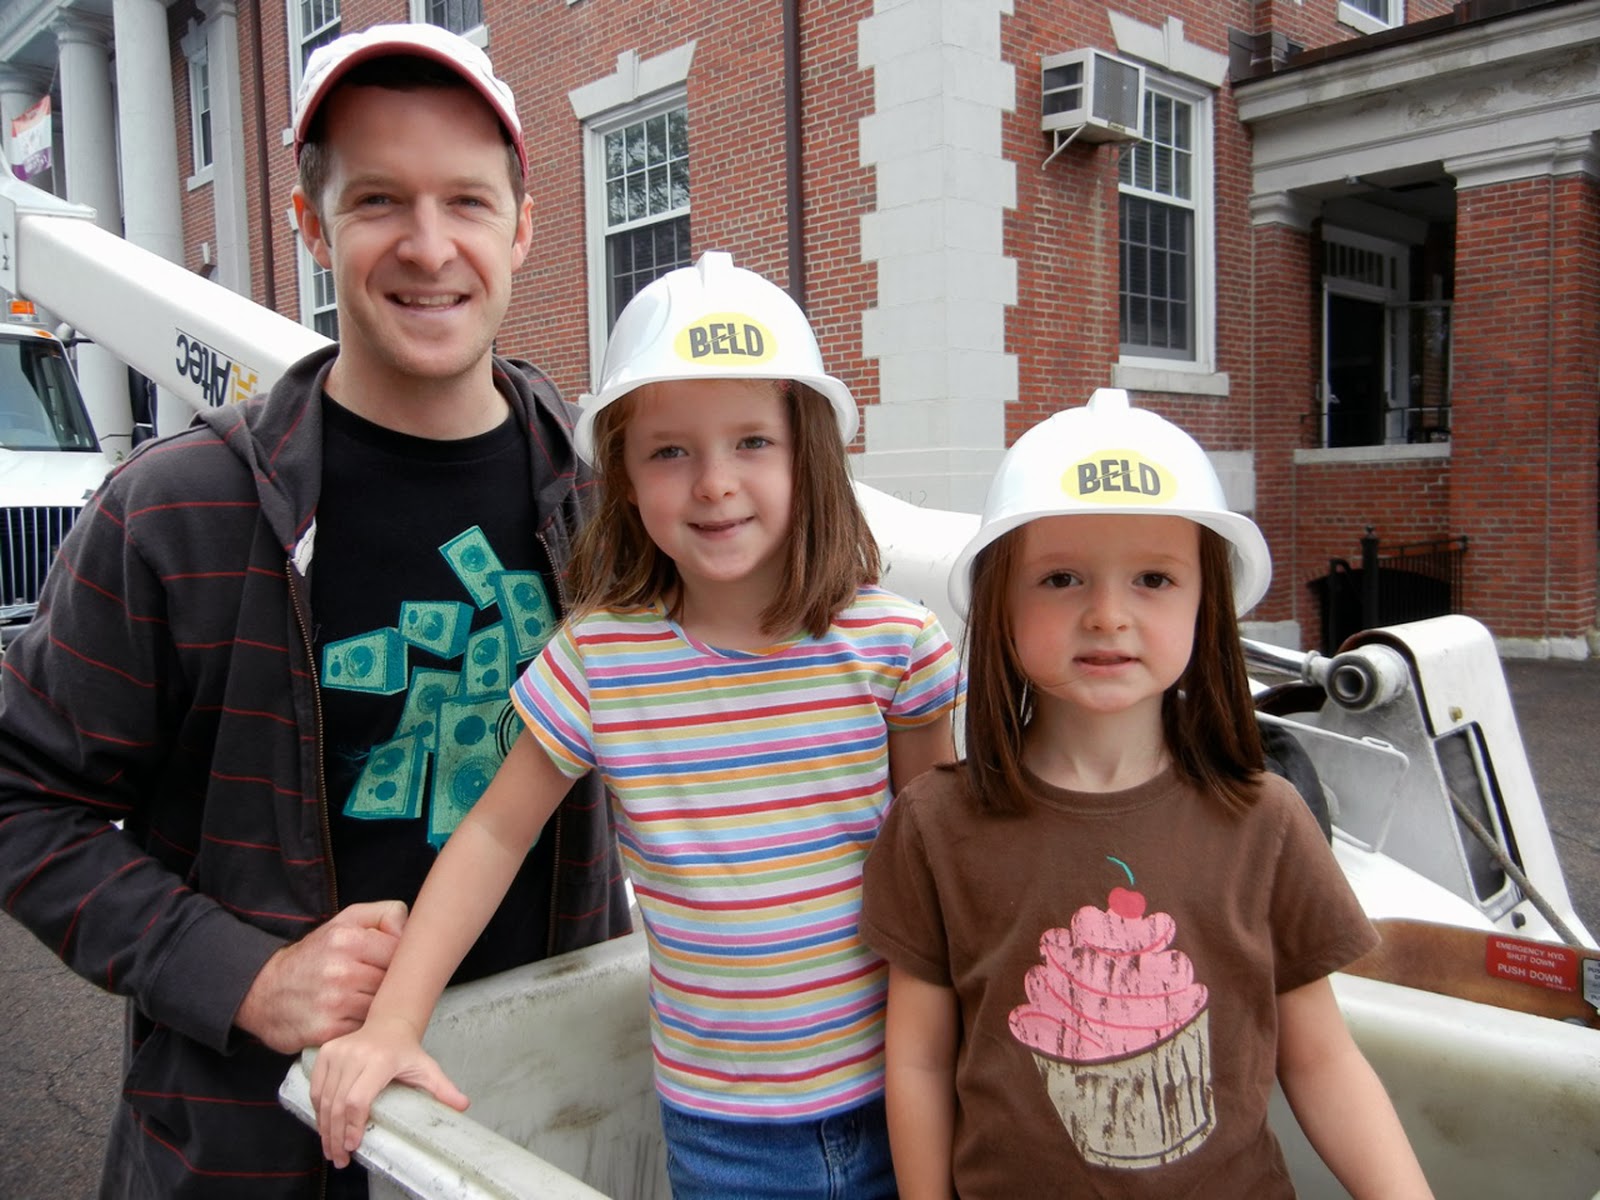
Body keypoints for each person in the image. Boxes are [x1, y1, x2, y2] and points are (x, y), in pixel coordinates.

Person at [0, 23, 628, 1199]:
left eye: (467, 203)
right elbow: (23, 797)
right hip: (251, 1151)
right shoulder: (173, 516)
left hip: (535, 1126)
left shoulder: (607, 512)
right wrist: (241, 974)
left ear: (523, 226)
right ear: (308, 225)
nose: (429, 247)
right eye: (380, 200)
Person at [308, 251, 964, 1198]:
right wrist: (393, 1023)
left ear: (809, 450)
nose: (713, 483)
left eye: (752, 441)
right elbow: (494, 831)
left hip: (910, 1093)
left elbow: (942, 865)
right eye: (670, 450)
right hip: (720, 1135)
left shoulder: (897, 648)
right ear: (619, 471)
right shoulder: (600, 660)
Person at [859, 389, 1435, 1198]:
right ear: (999, 604)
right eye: (1060, 578)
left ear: (1209, 603)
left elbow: (1323, 1058)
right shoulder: (934, 827)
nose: (1107, 615)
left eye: (1154, 578)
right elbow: (917, 1059)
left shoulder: (1267, 823)